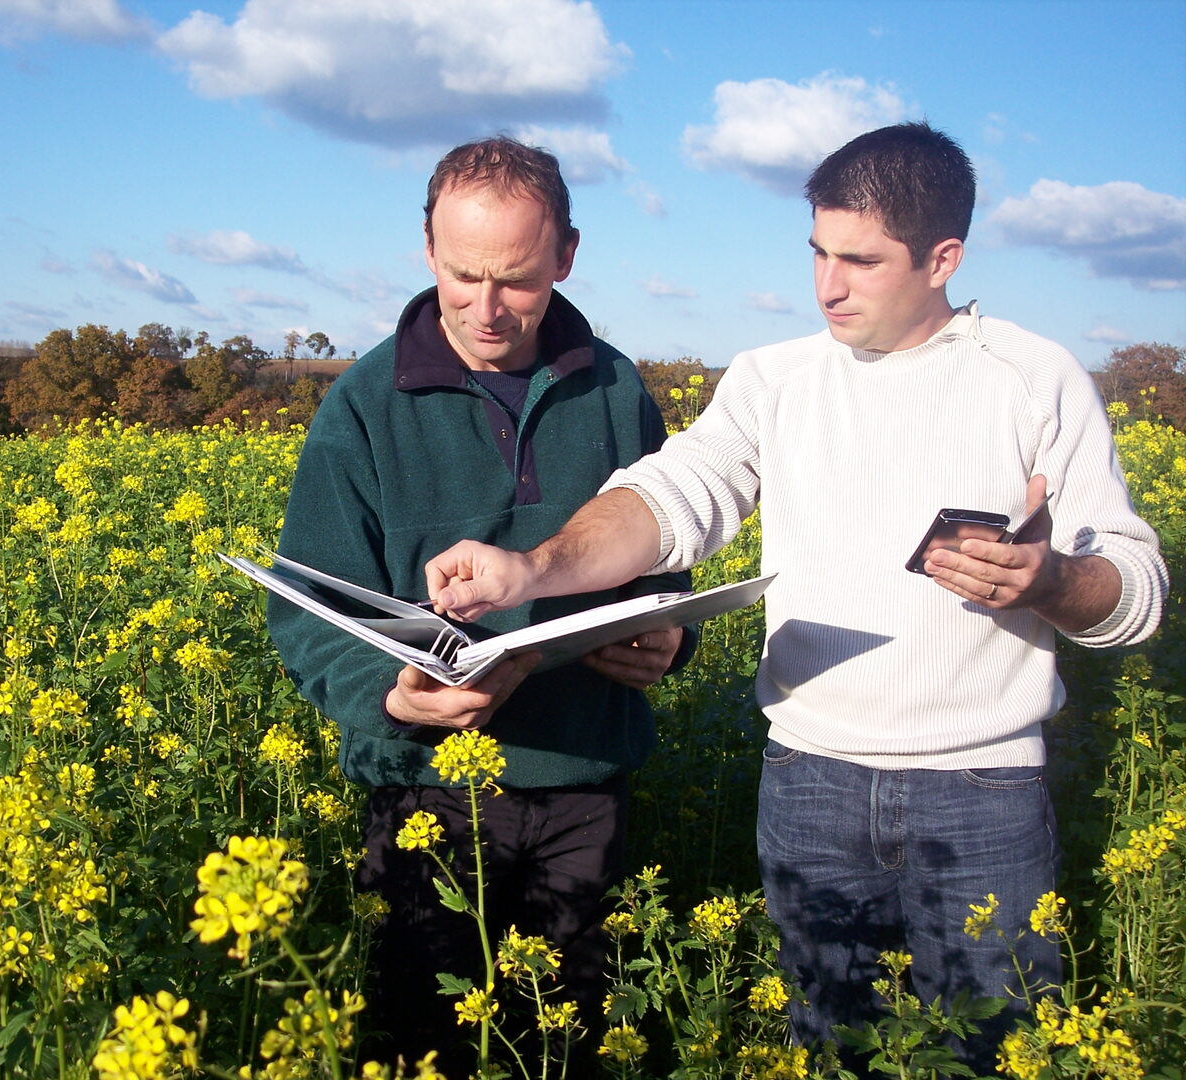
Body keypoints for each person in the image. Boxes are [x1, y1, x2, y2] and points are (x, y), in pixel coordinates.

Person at [424, 122, 1168, 1069]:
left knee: (998, 1046)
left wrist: (1054, 578)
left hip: (985, 791)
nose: (828, 285)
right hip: (810, 781)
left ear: (944, 257)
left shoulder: (1031, 379)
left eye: (861, 260)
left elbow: (1135, 590)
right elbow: (668, 496)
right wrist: (533, 569)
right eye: (817, 251)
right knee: (827, 1049)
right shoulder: (776, 380)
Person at [266, 136, 697, 1075]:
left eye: (518, 280)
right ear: (428, 248)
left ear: (566, 257)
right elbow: (303, 611)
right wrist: (391, 692)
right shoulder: (364, 404)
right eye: (464, 276)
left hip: (585, 779)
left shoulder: (616, 390)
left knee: (571, 1041)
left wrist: (671, 634)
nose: (487, 307)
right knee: (425, 1045)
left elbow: (666, 554)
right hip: (427, 793)